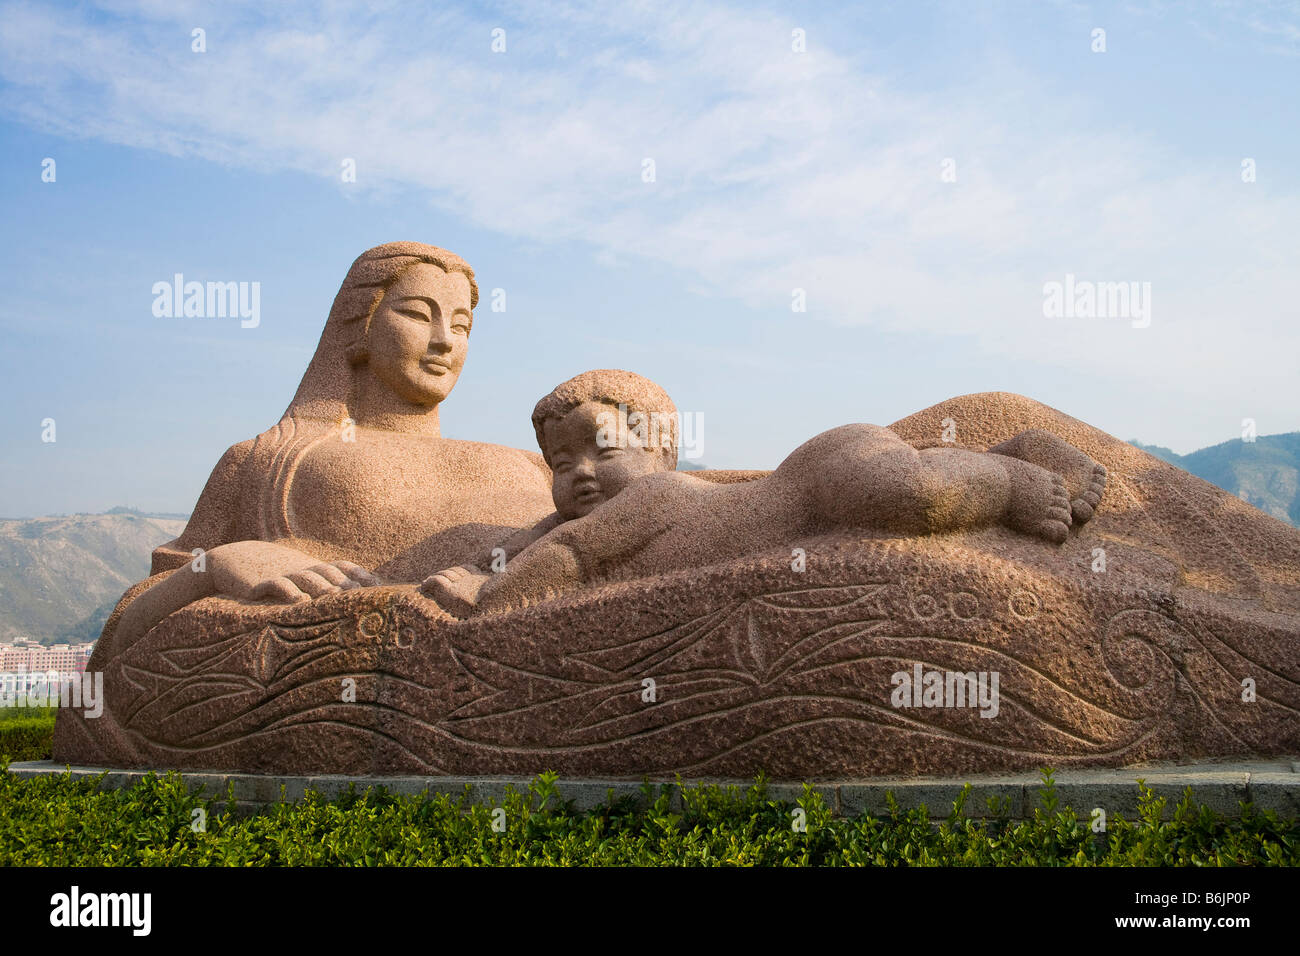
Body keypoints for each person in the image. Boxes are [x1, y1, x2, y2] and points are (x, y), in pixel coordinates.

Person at [109, 242, 556, 649]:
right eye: (419, 315)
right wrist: (224, 562)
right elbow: (122, 638)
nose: (444, 340)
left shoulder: (535, 462)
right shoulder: (266, 460)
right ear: (359, 325)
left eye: (462, 326)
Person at [423, 369, 1108, 617]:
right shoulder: (587, 517)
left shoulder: (655, 498)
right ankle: (1001, 459)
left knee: (913, 494)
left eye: (601, 447)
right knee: (908, 494)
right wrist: (480, 566)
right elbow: (534, 539)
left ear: (662, 449)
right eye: (558, 460)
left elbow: (565, 558)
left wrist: (492, 598)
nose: (578, 472)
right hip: (817, 490)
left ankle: (1015, 472)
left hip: (827, 474)